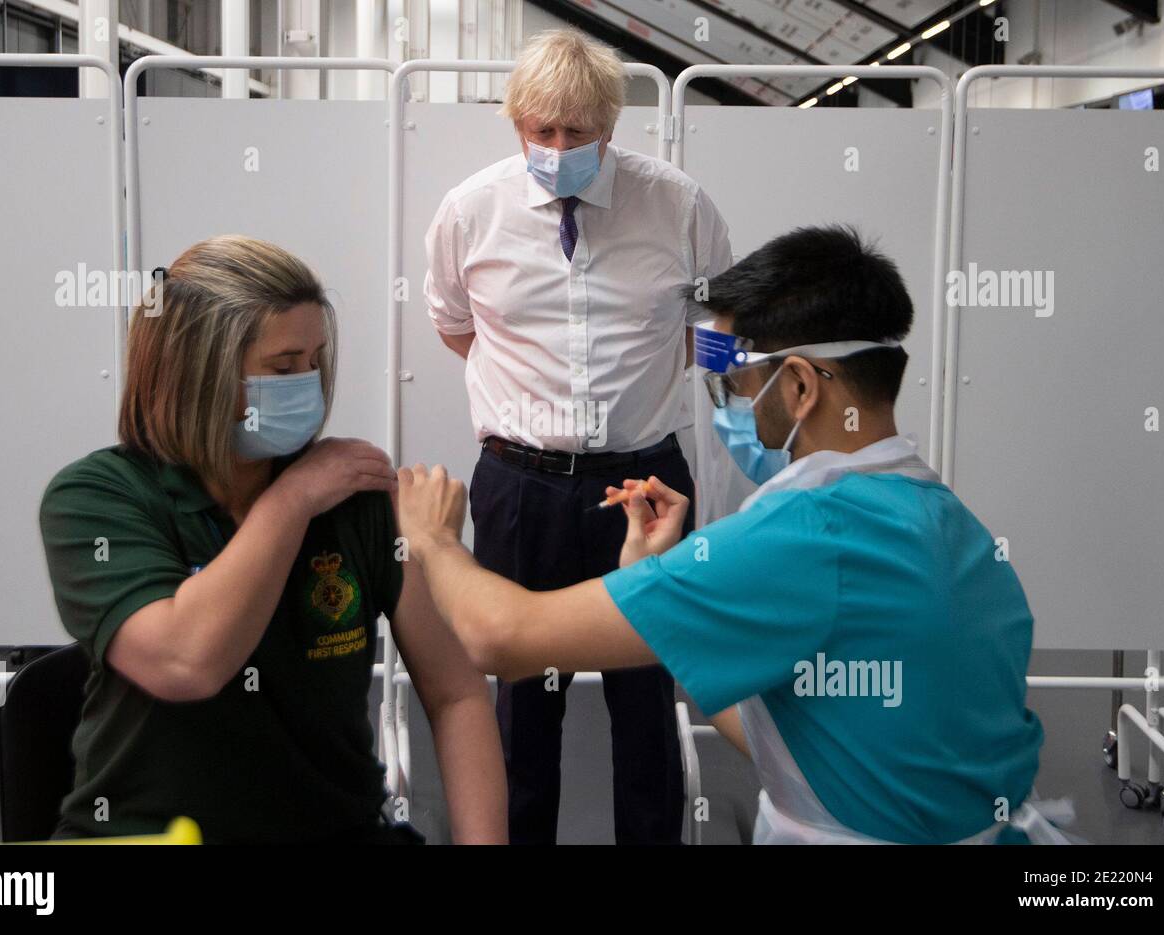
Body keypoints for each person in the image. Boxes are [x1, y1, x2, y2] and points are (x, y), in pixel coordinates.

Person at [396, 224, 1054, 845]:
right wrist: (668, 590)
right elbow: (803, 737)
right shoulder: (950, 524)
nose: (729, 410)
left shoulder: (802, 534)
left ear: (798, 384)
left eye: (734, 386)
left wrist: (434, 539)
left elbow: (502, 637)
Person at [39, 235, 506, 844]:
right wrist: (291, 501)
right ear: (193, 375)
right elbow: (188, 661)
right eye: (283, 368)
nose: (307, 383)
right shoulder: (98, 498)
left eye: (314, 361)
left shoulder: (359, 498)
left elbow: (457, 694)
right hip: (148, 835)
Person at [422, 27, 732, 845]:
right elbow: (457, 325)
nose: (558, 149)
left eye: (578, 133)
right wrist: (540, 405)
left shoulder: (678, 205)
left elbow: (720, 328)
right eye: (541, 131)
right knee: (524, 703)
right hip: (520, 483)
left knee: (646, 702)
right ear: (515, 121)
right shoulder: (470, 211)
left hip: (645, 485)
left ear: (612, 126)